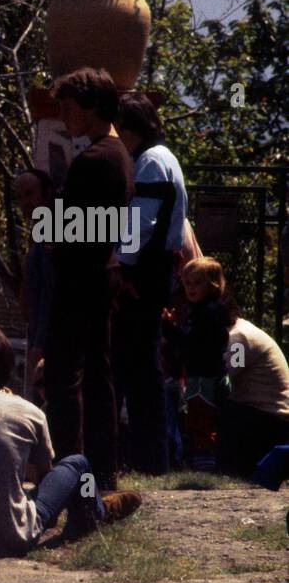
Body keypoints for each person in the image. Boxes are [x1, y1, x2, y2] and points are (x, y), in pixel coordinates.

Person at [0, 327, 141, 558]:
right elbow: (43, 476)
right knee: (78, 463)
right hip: (13, 537)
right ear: (9, 372)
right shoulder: (29, 412)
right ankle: (96, 512)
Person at [45, 67, 134, 493]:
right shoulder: (120, 155)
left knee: (65, 376)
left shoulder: (93, 160)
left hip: (79, 277)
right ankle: (102, 470)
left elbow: (62, 230)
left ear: (93, 106)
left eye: (68, 108)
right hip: (101, 272)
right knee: (98, 374)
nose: (64, 117)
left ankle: (72, 473)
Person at [112, 92, 187, 476]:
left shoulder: (152, 162)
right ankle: (150, 456)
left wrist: (122, 268)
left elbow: (141, 222)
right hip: (152, 269)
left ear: (130, 128)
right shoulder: (160, 157)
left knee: (138, 365)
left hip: (145, 271)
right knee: (141, 365)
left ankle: (151, 456)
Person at [163, 258, 237, 471]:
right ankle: (205, 459)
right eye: (187, 283)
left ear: (212, 284)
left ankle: (206, 463)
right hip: (211, 374)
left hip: (204, 376)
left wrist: (169, 329)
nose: (191, 288)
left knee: (201, 421)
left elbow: (191, 345)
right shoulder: (211, 311)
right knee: (204, 419)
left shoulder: (206, 313)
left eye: (197, 283)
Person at [220, 315, 289, 478]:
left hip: (270, 419)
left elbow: (227, 377)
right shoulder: (240, 331)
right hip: (263, 414)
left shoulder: (239, 339)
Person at [13, 168, 56, 402]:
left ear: (46, 193)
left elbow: (49, 292)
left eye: (29, 194)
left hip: (50, 339)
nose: (24, 203)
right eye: (19, 197)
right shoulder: (39, 230)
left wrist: (39, 342)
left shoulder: (52, 231)